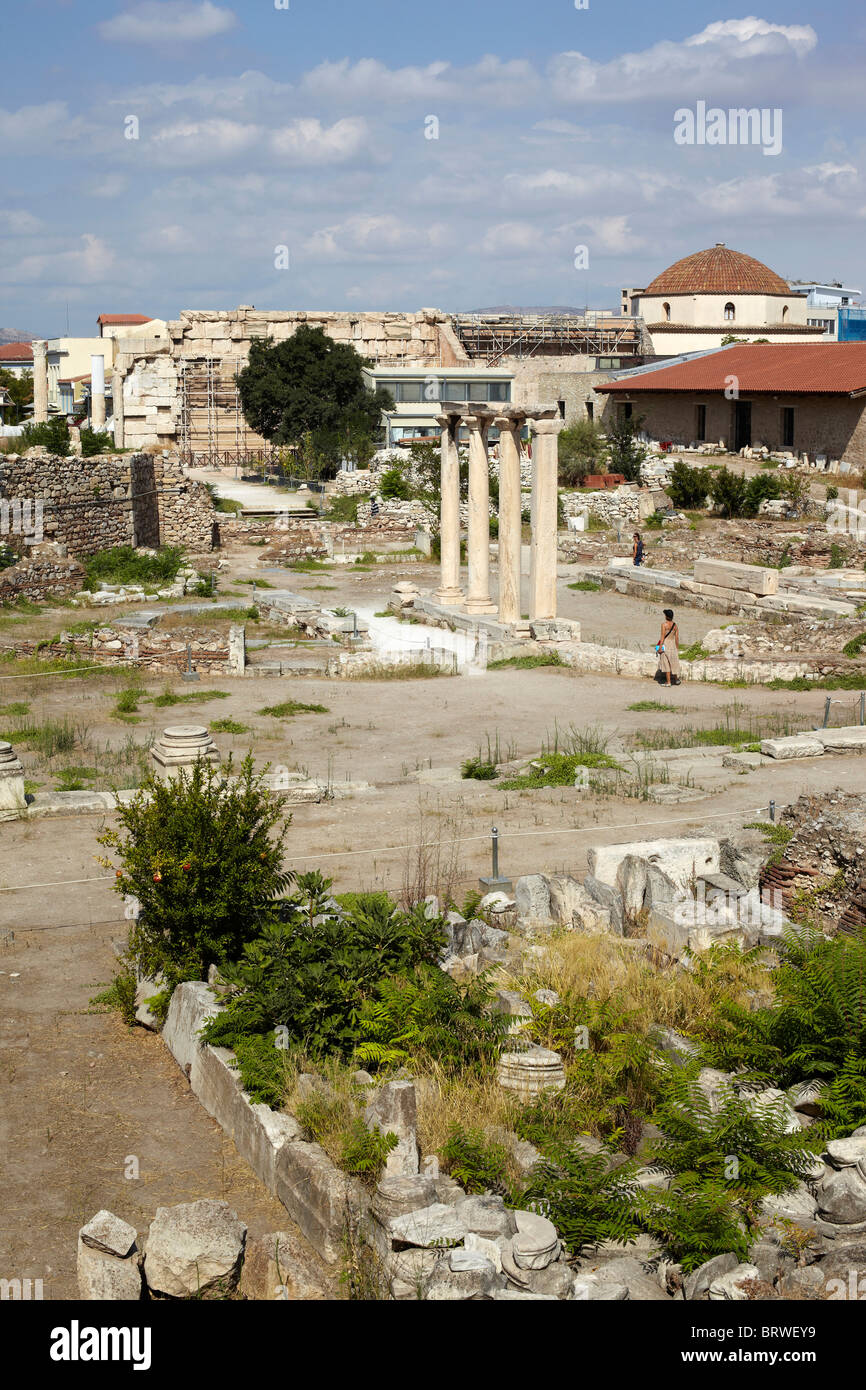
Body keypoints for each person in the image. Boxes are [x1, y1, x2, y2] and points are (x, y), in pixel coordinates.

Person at [656, 608, 680, 686]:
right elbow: (676, 638)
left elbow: (662, 637)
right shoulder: (675, 625)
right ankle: (676, 680)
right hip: (672, 644)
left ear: (666, 616)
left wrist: (659, 647)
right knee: (673, 662)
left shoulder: (664, 625)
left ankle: (668, 682)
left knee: (666, 663)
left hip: (666, 644)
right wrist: (677, 648)